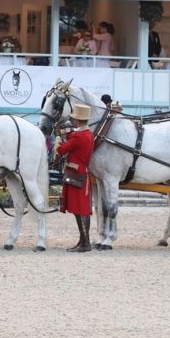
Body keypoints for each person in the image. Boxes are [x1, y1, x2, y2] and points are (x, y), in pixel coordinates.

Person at [55, 103, 95, 253]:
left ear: (77, 120)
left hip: (76, 175)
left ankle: (85, 243)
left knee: (80, 210)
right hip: (82, 174)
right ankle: (83, 240)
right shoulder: (88, 134)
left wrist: (59, 137)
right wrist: (69, 135)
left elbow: (61, 150)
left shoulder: (78, 136)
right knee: (82, 210)